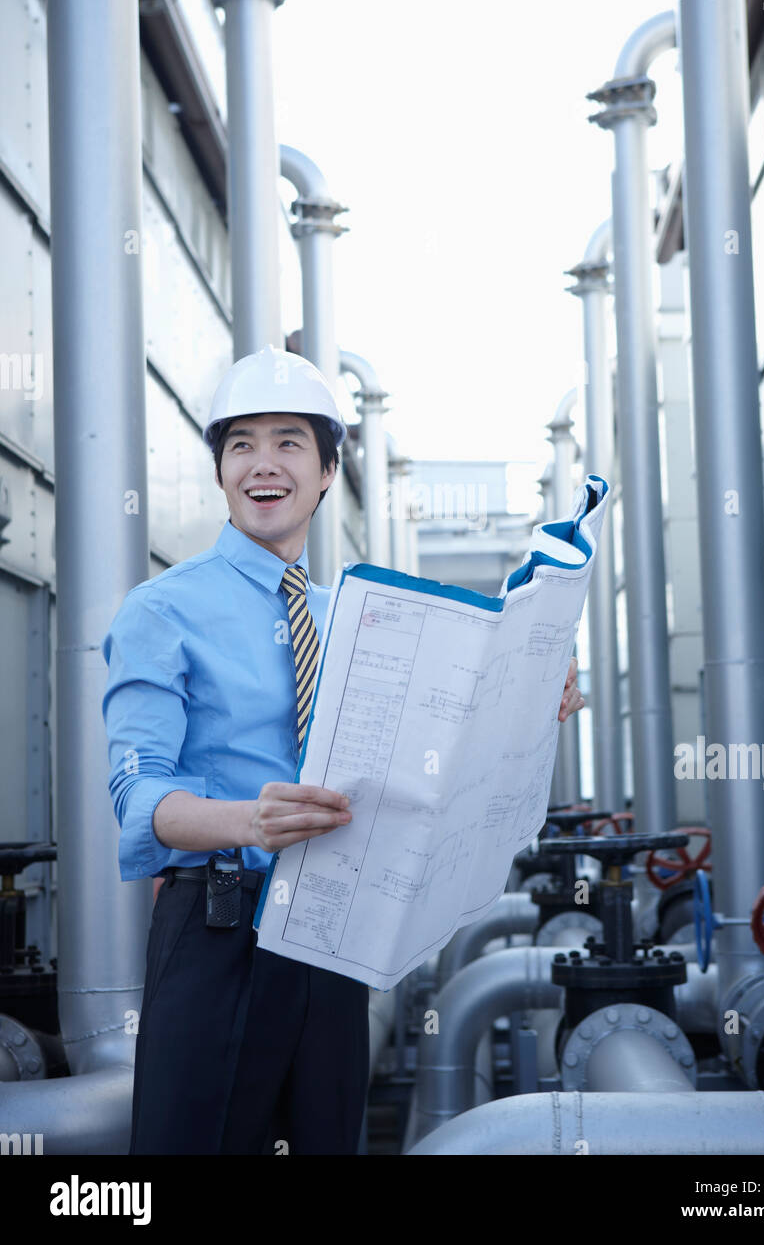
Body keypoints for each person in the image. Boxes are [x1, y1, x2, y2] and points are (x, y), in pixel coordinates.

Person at [102, 344, 585, 1156]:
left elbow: (443, 752)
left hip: (335, 931)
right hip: (221, 927)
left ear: (327, 472)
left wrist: (534, 699)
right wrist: (247, 821)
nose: (264, 464)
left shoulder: (363, 619)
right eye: (242, 444)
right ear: (220, 468)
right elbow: (142, 798)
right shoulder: (161, 611)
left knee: (328, 1142)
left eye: (290, 442)